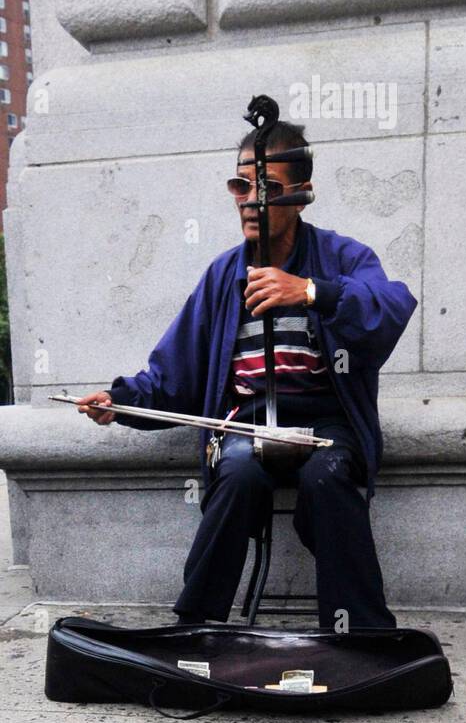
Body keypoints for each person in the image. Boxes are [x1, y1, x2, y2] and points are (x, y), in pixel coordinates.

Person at [78, 118, 417, 630]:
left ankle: (361, 634)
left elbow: (391, 307)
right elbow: (176, 374)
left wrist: (309, 292)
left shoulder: (344, 257)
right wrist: (119, 401)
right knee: (236, 472)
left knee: (328, 479)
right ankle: (196, 627)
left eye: (268, 189)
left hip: (329, 425)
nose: (250, 201)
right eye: (241, 186)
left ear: (302, 196)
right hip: (247, 424)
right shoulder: (222, 275)